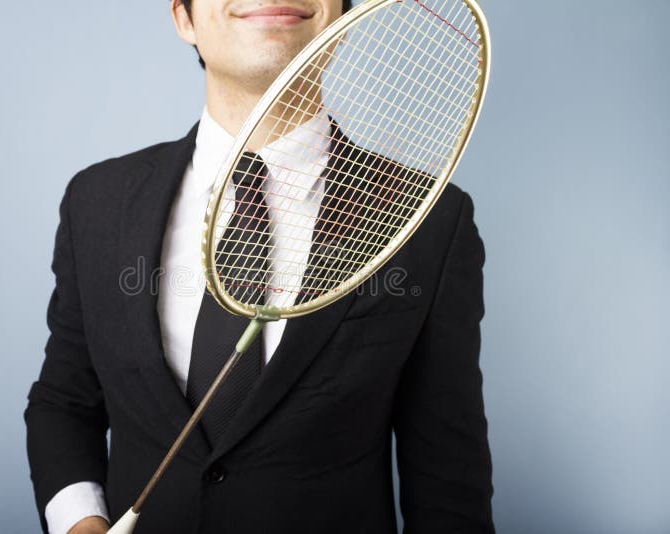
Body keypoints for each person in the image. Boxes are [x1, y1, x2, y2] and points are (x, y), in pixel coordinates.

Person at [25, 1, 496, 533]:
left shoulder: (428, 219)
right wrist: (80, 522)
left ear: (341, 15)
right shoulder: (97, 201)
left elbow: (449, 484)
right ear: (185, 18)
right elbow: (63, 402)